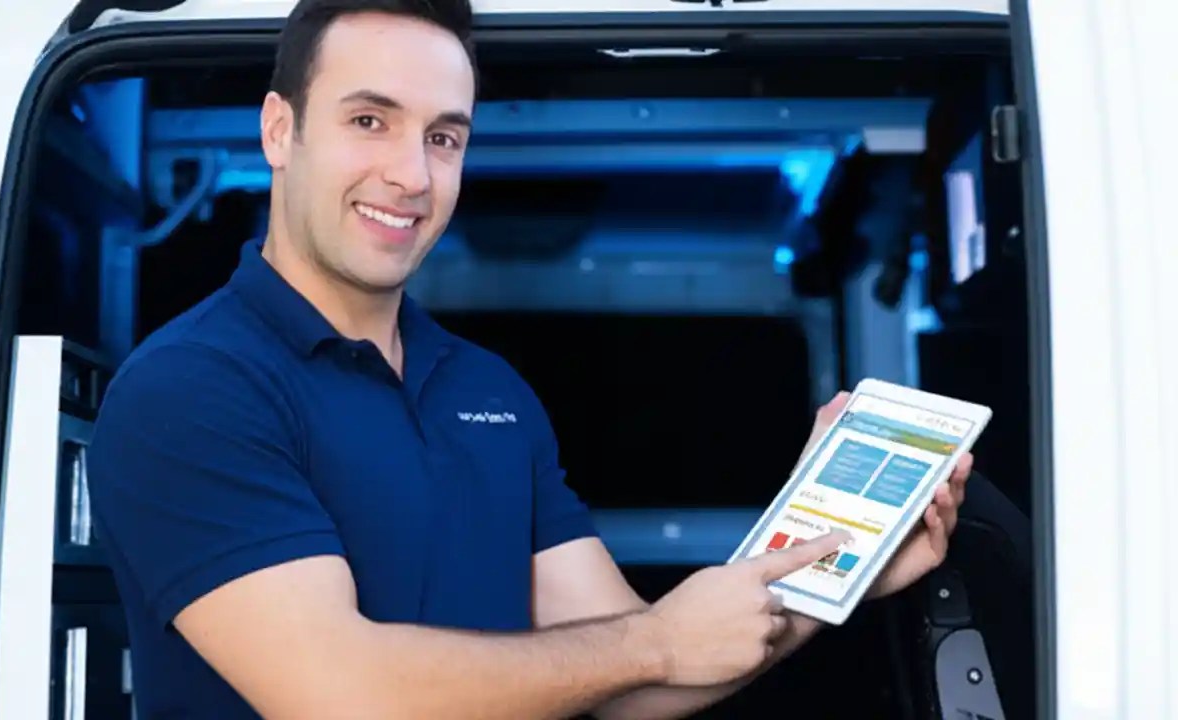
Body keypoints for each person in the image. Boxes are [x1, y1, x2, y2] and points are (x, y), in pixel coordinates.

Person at [85, 0, 974, 717]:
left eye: (443, 136)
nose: (411, 174)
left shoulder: (486, 390)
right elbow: (342, 694)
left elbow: (643, 679)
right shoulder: (191, 387)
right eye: (369, 120)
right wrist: (656, 643)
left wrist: (828, 570)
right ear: (280, 131)